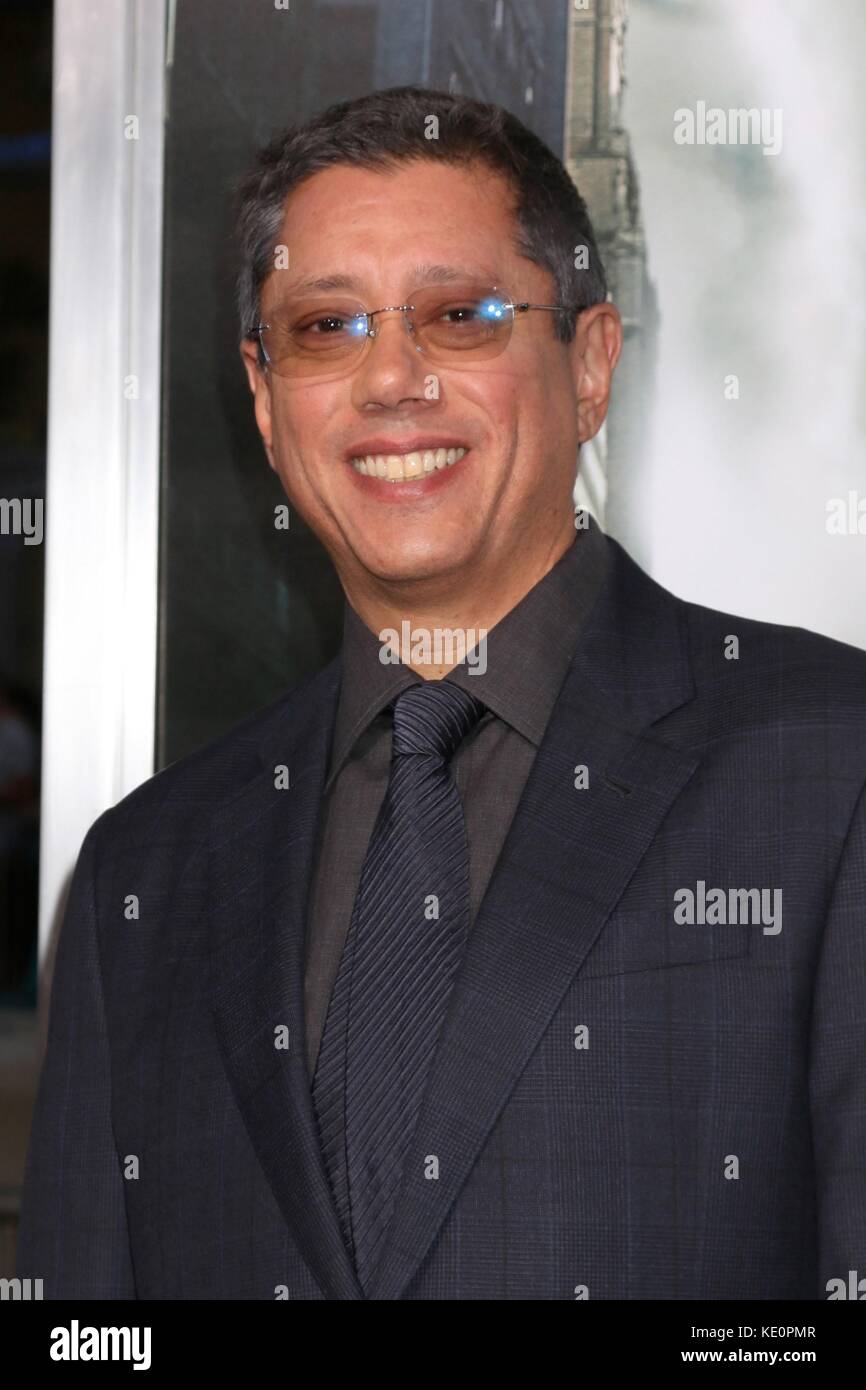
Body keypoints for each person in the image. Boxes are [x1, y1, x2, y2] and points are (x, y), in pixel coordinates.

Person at [17, 86, 866, 1300]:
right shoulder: (145, 873)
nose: (390, 379)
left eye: (458, 316)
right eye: (325, 329)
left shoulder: (825, 767)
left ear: (588, 363)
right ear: (265, 403)